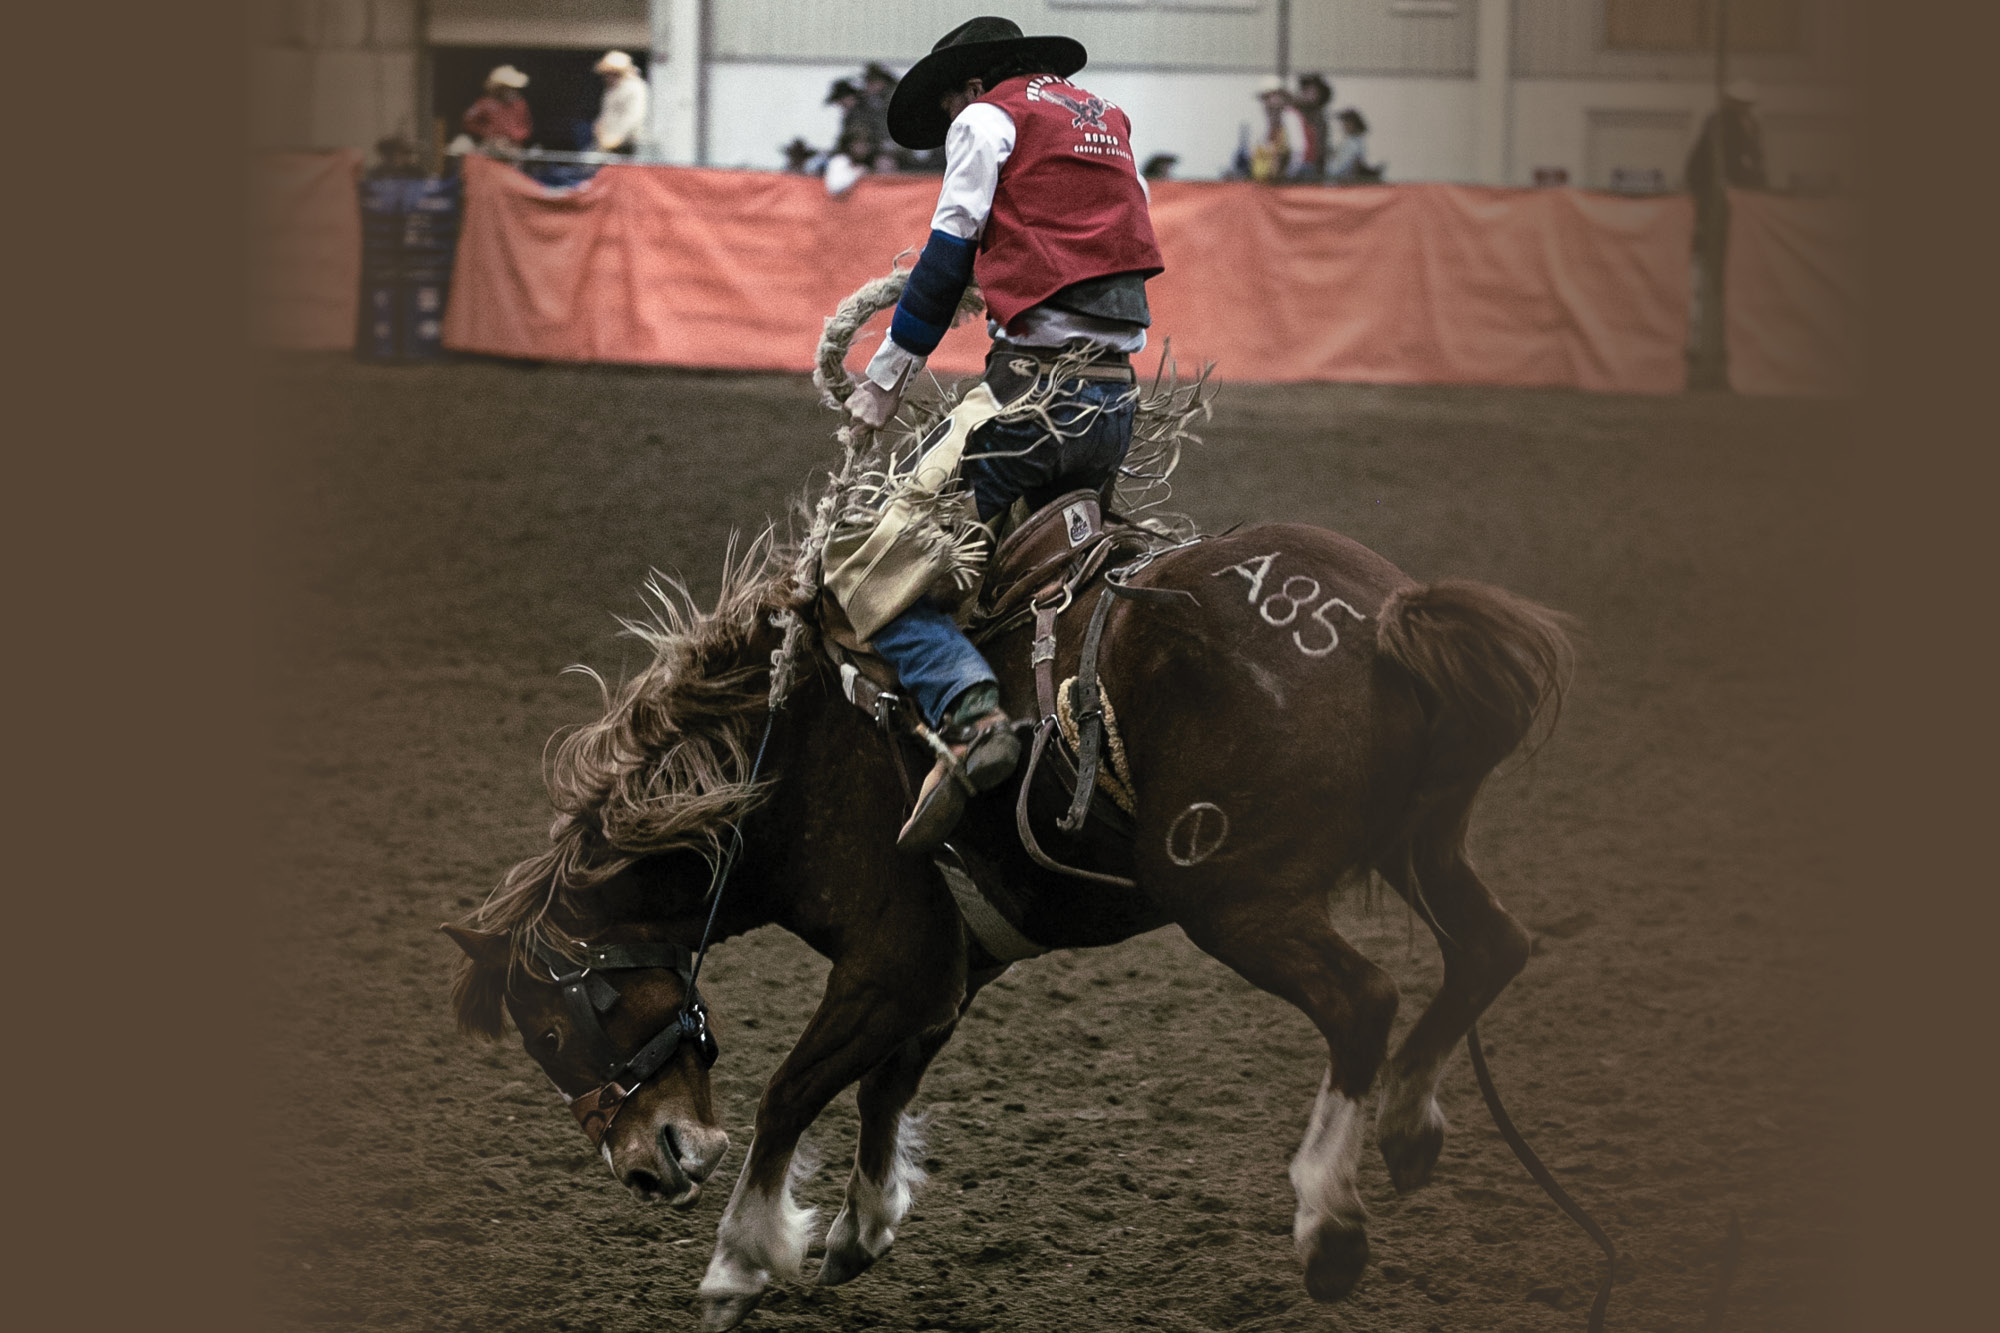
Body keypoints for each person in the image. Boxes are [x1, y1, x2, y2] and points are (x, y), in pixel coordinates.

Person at [843, 16, 1165, 852]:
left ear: (966, 84)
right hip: (1113, 404)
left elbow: (949, 252)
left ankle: (968, 713)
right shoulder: (1107, 121)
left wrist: (883, 381)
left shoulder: (986, 119)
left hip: (1034, 406)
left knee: (866, 553)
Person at [462, 64, 532, 152]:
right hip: (490, 146)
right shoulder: (485, 103)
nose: (509, 90)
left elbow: (525, 129)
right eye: (505, 87)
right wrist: (489, 135)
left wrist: (511, 139)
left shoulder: (519, 104)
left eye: (510, 87)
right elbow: (468, 121)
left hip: (514, 148)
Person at [592, 50, 650, 155]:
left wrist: (617, 138)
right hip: (609, 143)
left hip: (627, 145)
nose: (607, 77)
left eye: (611, 73)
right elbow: (608, 113)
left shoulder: (634, 88)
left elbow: (635, 116)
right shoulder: (612, 90)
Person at [1249, 76, 1304, 183]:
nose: (1272, 100)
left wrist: (1289, 174)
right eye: (1267, 97)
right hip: (1261, 177)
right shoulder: (1259, 119)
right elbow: (1253, 149)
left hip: (1285, 178)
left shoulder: (1291, 117)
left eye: (1275, 95)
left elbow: (1298, 149)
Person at [1292, 72, 1333, 180]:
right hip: (1295, 165)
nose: (1309, 94)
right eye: (1306, 91)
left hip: (1312, 166)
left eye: (1313, 92)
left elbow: (1321, 146)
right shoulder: (1294, 114)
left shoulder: (1319, 117)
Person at [823, 127, 878, 197]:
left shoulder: (872, 161)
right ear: (849, 145)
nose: (863, 147)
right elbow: (834, 187)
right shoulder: (839, 161)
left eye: (866, 143)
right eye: (859, 143)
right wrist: (856, 173)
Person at [1326, 108, 1372, 183]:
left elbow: (1339, 167)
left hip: (1342, 182)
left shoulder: (1353, 144)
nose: (1343, 126)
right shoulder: (1356, 142)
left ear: (1352, 124)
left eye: (1345, 122)